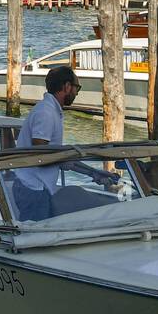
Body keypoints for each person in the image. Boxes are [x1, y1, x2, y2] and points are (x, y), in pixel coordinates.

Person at [10, 66, 98, 221]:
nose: (77, 92)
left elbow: (49, 154)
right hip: (33, 187)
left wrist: (90, 171)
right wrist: (66, 161)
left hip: (36, 186)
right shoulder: (46, 112)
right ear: (67, 86)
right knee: (35, 239)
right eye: (77, 87)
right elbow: (41, 154)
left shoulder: (50, 110)